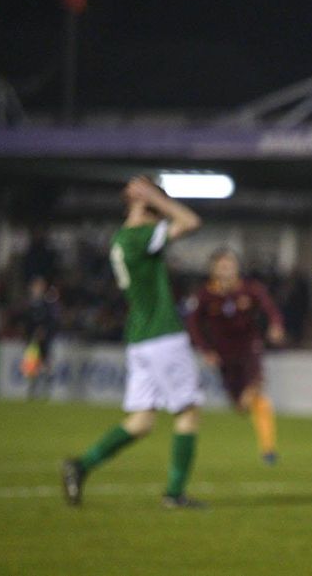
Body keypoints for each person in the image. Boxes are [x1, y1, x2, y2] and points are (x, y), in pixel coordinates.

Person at [61, 176, 204, 508]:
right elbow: (191, 222)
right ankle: (175, 494)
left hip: (139, 339)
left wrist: (151, 199)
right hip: (162, 334)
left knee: (141, 421)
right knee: (188, 411)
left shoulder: (121, 238)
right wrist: (155, 198)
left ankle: (81, 466)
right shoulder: (141, 235)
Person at [186, 248, 286, 464]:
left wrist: (276, 325)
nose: (227, 270)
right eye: (222, 266)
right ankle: (248, 400)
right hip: (224, 356)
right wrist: (206, 350)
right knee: (241, 406)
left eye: (230, 265)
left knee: (256, 390)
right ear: (213, 270)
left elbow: (270, 309)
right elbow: (193, 325)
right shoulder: (204, 295)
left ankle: (268, 449)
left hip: (250, 349)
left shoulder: (251, 289)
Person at [20, 275, 59, 399]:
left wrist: (44, 331)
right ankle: (32, 390)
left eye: (39, 286)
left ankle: (46, 390)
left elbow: (52, 321)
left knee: (45, 363)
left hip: (43, 340)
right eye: (35, 286)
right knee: (31, 364)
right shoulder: (29, 304)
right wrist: (28, 334)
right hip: (32, 339)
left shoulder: (47, 304)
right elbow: (26, 322)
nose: (37, 289)